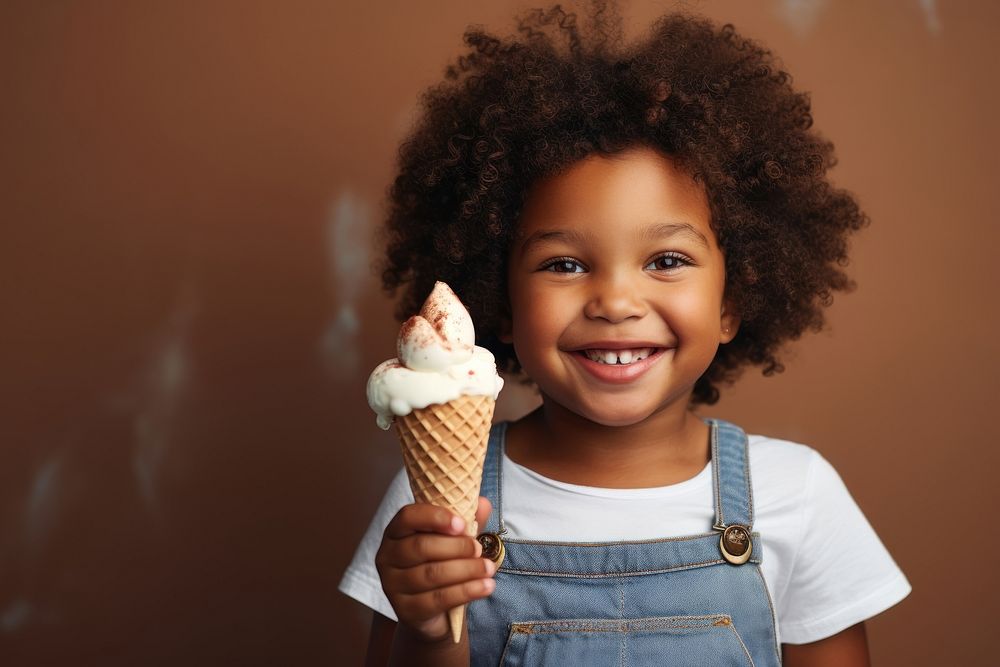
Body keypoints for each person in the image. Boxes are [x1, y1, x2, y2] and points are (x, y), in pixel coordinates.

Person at [340, 3, 910, 665]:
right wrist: (430, 632)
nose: (615, 302)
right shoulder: (435, 504)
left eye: (666, 260)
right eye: (564, 264)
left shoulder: (798, 493)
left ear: (733, 301)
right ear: (501, 302)